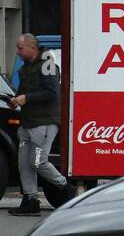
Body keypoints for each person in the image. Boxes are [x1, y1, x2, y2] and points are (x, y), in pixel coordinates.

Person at [8, 34, 74, 215]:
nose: (17, 52)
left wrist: (26, 98)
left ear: (32, 47)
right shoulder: (26, 67)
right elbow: (25, 93)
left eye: (20, 48)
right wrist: (16, 99)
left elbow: (52, 93)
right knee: (24, 163)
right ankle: (30, 200)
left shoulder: (48, 65)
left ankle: (66, 187)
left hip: (43, 123)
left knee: (38, 162)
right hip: (27, 123)